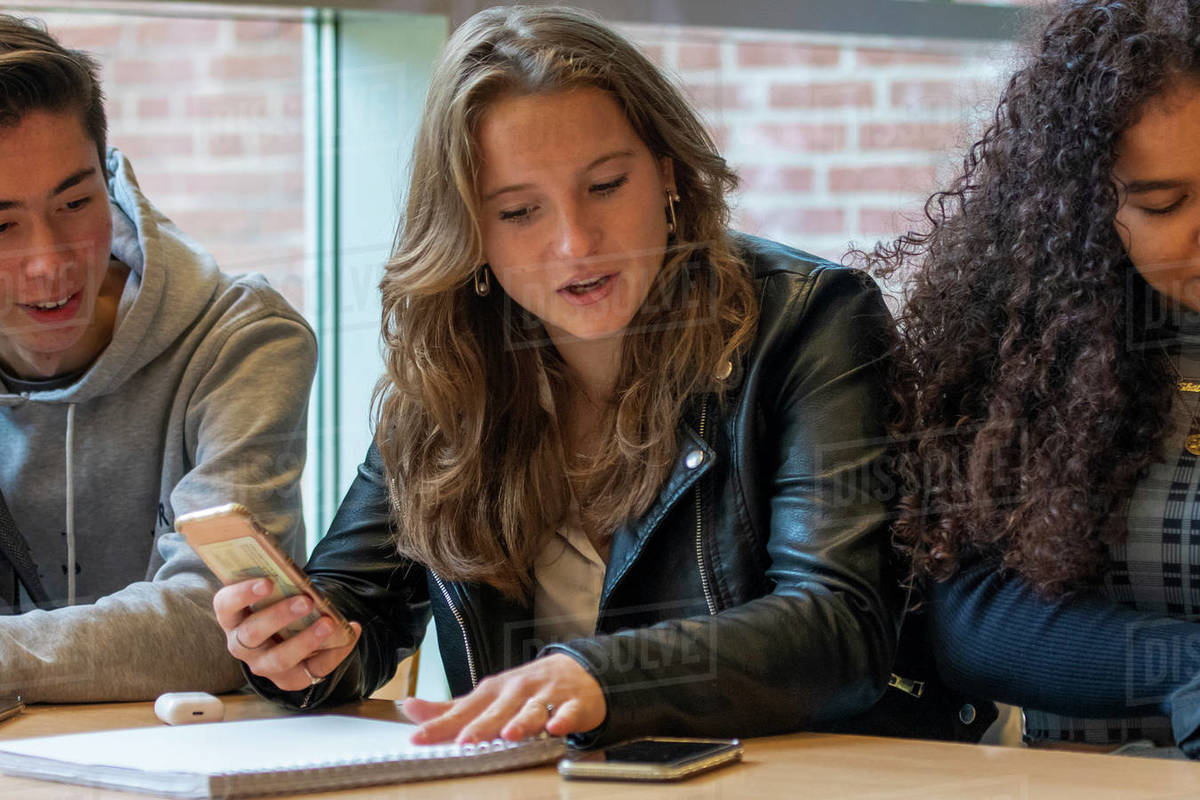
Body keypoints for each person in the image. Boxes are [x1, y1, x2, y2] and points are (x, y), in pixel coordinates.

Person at [216, 5, 897, 747]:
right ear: (469, 231)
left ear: (667, 174)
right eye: (519, 212)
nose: (576, 243)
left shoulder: (811, 321)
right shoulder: (454, 364)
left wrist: (601, 677)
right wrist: (298, 647)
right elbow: (359, 607)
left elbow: (840, 624)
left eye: (606, 186)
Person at [870, 0, 1200, 757]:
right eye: (1163, 202)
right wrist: (1184, 667)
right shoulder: (1040, 349)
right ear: (1088, 211)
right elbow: (970, 615)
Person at [0, 16, 316, 702]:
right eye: (2, 225)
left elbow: (220, 625)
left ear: (109, 182)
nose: (49, 262)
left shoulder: (240, 342)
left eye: (75, 201)